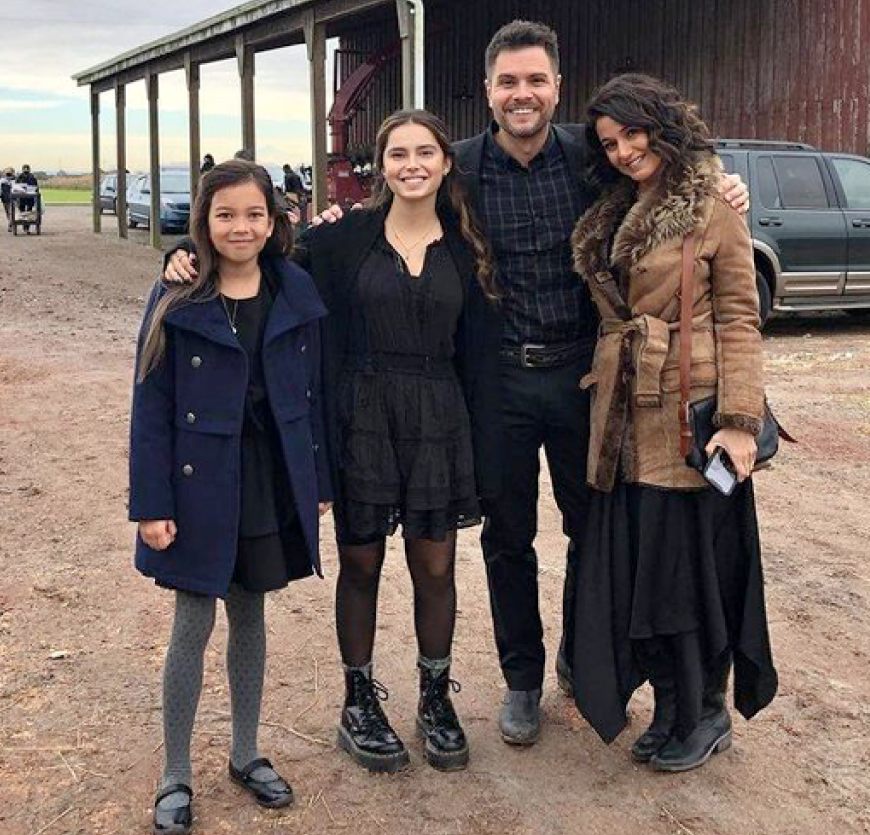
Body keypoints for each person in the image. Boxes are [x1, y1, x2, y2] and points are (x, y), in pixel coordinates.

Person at [165, 19, 749, 748]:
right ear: (487, 92)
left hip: (581, 379)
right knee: (506, 538)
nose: (522, 93)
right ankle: (522, 680)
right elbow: (294, 245)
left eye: (536, 80)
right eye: (508, 82)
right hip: (496, 384)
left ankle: (584, 660)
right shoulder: (460, 169)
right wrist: (192, 249)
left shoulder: (588, 158)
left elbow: (660, 166)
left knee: (595, 531)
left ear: (556, 87)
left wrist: (719, 178)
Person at [163, 110, 501, 775]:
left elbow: (481, 351)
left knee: (436, 566)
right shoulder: (343, 240)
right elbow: (254, 251)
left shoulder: (468, 243)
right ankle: (358, 702)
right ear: (381, 164)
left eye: (424, 151)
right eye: (397, 151)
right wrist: (183, 247)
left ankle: (435, 696)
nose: (411, 163)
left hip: (439, 416)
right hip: (360, 415)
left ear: (444, 162)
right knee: (364, 561)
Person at [569, 73, 778, 772]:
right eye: (611, 142)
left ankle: (707, 711)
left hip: (693, 414)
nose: (626, 150)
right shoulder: (615, 207)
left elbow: (742, 315)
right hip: (627, 413)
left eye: (633, 133)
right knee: (645, 570)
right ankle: (669, 704)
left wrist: (741, 421)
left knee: (691, 570)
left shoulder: (711, 203)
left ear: (662, 125)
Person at [128, 159, 331, 833]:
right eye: (225, 215)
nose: (240, 227)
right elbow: (149, 408)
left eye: (253, 214)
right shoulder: (177, 297)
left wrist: (317, 480)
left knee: (251, 615)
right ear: (204, 225)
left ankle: (246, 752)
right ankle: (175, 770)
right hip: (199, 483)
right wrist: (151, 502)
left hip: (267, 480)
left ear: (273, 221)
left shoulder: (294, 288)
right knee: (193, 621)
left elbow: (314, 395)